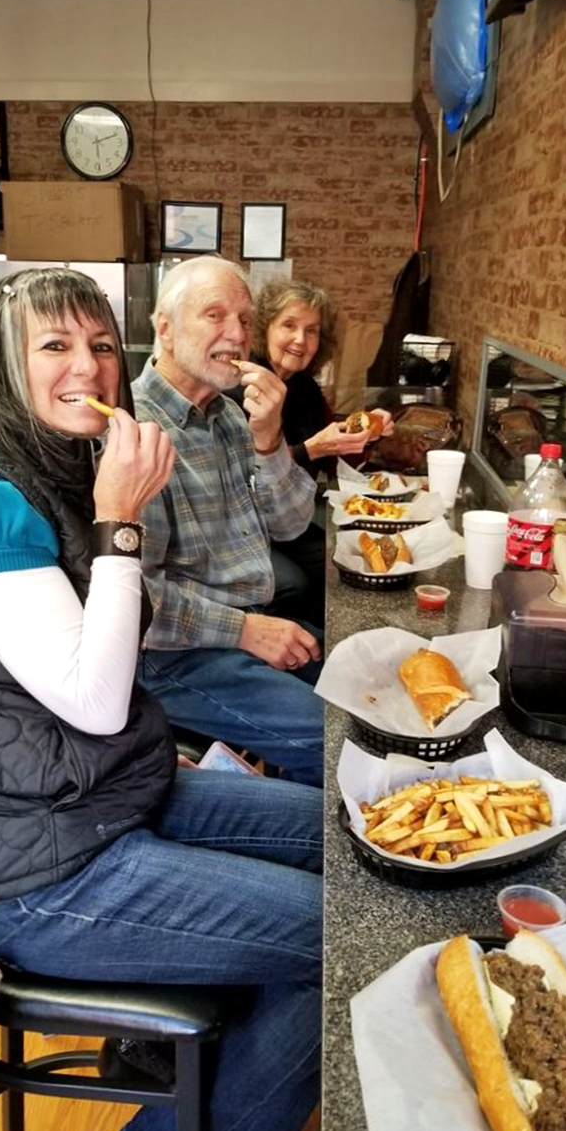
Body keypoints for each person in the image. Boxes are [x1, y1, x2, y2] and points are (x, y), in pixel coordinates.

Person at [0, 268, 322, 1131]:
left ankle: (212, 1062)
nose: (87, 369)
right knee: (337, 938)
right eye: (54, 346)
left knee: (342, 843)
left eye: (100, 345)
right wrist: (119, 521)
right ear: (3, 367)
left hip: (102, 796)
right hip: (30, 873)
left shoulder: (75, 462)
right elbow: (95, 699)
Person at [133, 255, 324, 788]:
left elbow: (289, 524)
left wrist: (270, 440)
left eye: (243, 321)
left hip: (242, 625)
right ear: (165, 329)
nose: (236, 334)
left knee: (365, 695)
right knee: (329, 739)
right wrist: (245, 630)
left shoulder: (231, 416)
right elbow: (136, 598)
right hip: (173, 653)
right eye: (214, 315)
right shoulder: (134, 432)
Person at [245, 277, 393, 625]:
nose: (301, 339)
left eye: (312, 330)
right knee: (293, 586)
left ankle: (339, 640)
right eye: (289, 326)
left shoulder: (306, 388)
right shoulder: (246, 387)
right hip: (246, 527)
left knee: (346, 553)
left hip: (291, 520)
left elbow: (340, 452)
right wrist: (312, 448)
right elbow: (245, 479)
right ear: (264, 328)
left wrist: (370, 432)